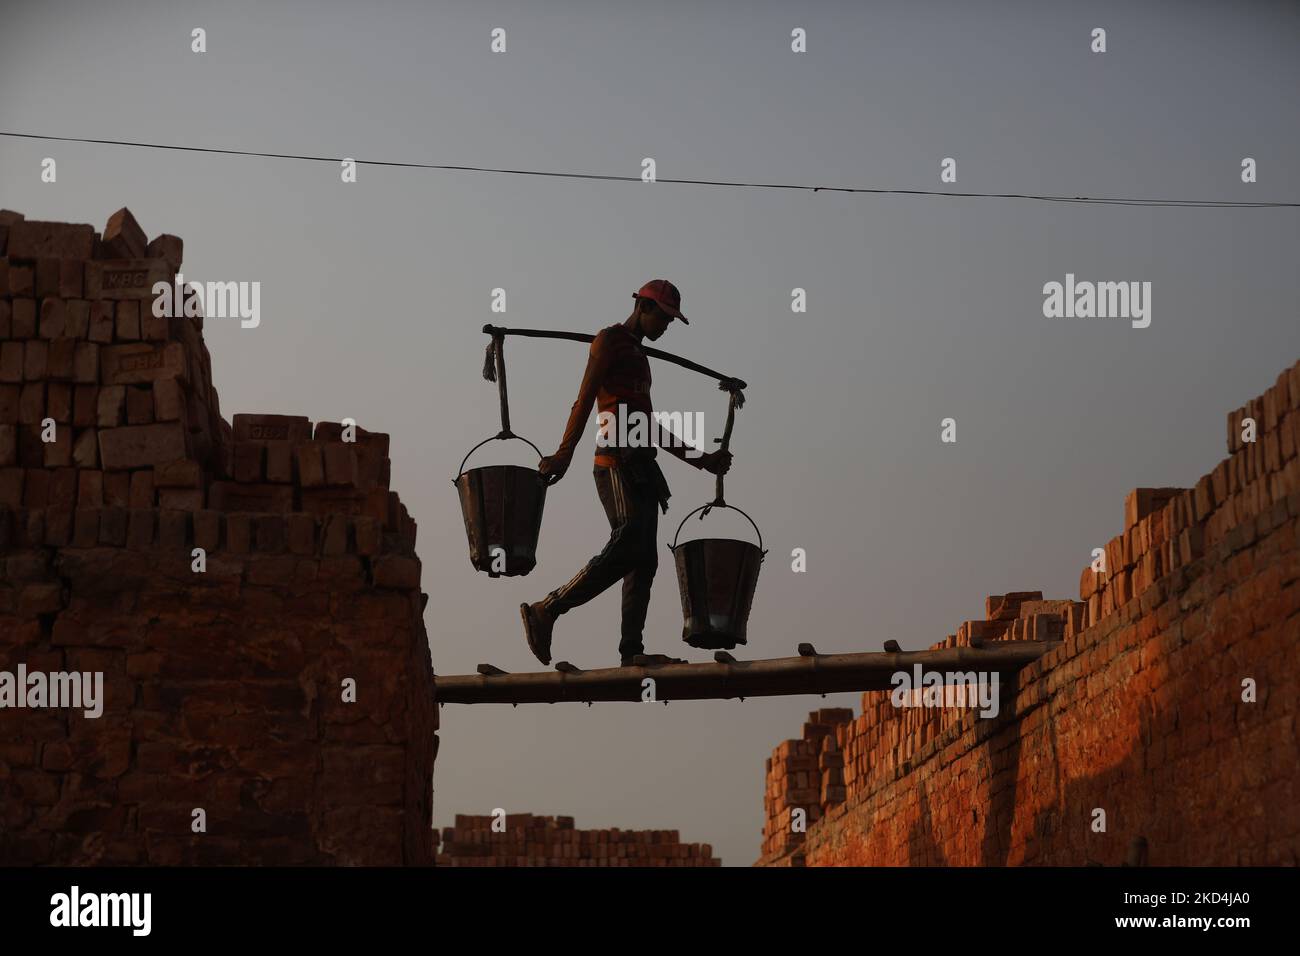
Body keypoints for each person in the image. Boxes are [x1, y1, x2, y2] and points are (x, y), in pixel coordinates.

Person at [520, 279, 731, 666]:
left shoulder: (639, 357)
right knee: (630, 538)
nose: (665, 328)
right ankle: (546, 609)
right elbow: (584, 399)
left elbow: (649, 426)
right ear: (642, 308)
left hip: (641, 466)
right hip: (614, 462)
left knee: (644, 560)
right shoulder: (609, 341)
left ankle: (631, 651)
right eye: (664, 319)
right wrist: (563, 454)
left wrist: (704, 460)